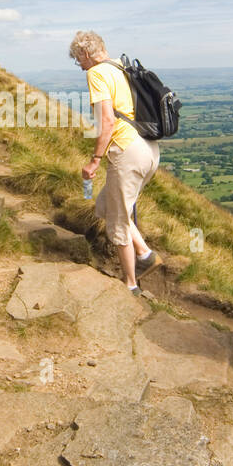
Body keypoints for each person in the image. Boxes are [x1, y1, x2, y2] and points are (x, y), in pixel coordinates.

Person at [70, 31, 162, 294]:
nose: (80, 66)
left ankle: (131, 284)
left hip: (127, 150)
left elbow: (107, 121)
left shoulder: (96, 73)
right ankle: (144, 253)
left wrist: (95, 160)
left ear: (85, 54)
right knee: (106, 206)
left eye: (78, 60)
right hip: (149, 149)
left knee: (118, 220)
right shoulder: (121, 67)